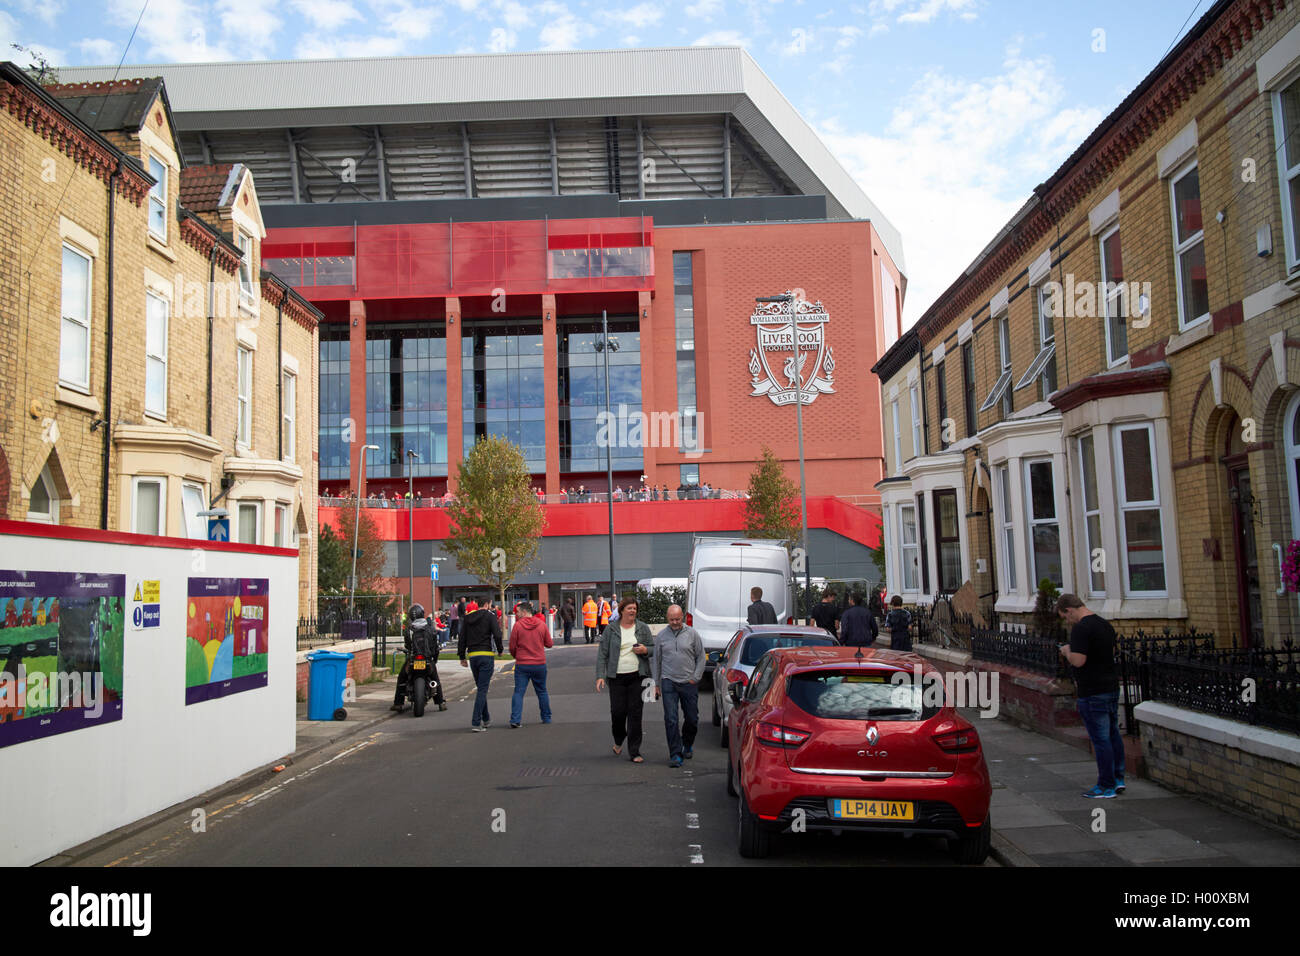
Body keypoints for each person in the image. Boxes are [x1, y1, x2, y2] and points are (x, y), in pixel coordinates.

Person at [1058, 593, 1124, 799]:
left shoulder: (1081, 628)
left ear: (1069, 610)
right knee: (1113, 735)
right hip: (1111, 687)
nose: (1067, 622)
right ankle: (1118, 779)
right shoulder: (1105, 625)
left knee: (1100, 739)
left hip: (1092, 691)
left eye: (1065, 617)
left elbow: (1078, 661)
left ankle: (1106, 786)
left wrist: (1067, 651)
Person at [595, 597, 655, 763]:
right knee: (618, 712)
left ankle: (634, 751)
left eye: (634, 608)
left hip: (638, 675)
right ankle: (619, 738)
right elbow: (602, 654)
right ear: (621, 610)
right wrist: (600, 675)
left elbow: (652, 648)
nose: (632, 611)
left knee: (635, 714)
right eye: (629, 608)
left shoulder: (642, 628)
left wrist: (645, 650)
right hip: (617, 677)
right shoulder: (611, 629)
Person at [652, 604, 705, 767]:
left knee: (692, 719)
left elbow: (701, 657)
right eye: (671, 619)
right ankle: (675, 754)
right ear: (667, 619)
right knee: (671, 719)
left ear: (682, 617)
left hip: (688, 682)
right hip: (669, 682)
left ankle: (687, 744)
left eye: (677, 619)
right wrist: (656, 683)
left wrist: (695, 677)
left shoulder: (692, 634)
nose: (675, 622)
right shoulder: (661, 636)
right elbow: (656, 660)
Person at [391, 603, 446, 713]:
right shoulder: (430, 629)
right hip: (427, 659)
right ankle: (440, 703)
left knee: (402, 678)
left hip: (413, 658)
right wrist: (434, 658)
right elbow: (434, 646)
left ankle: (398, 703)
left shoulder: (409, 630)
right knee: (435, 678)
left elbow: (407, 646)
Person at [458, 599, 503, 732]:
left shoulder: (468, 618)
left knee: (480, 688)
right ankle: (476, 722)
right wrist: (500, 650)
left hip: (473, 656)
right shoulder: (490, 616)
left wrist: (462, 656)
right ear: (487, 604)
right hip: (486, 654)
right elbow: (497, 634)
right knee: (482, 690)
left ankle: (486, 718)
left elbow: (462, 638)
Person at [508, 601, 554, 728]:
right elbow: (549, 644)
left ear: (524, 612)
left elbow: (512, 646)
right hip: (539, 663)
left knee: (518, 692)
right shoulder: (541, 624)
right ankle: (546, 717)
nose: (516, 614)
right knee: (542, 691)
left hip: (522, 663)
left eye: (517, 612)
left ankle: (515, 719)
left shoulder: (517, 626)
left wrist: (516, 656)